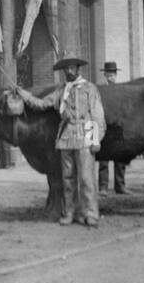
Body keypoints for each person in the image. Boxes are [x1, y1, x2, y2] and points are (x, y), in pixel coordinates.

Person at [20, 57, 106, 227]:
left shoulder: (89, 89)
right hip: (66, 138)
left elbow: (97, 115)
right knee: (67, 178)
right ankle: (69, 212)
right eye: (66, 69)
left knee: (86, 178)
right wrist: (25, 95)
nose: (69, 71)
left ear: (78, 69)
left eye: (72, 68)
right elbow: (42, 104)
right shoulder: (61, 90)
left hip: (85, 138)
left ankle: (90, 213)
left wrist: (96, 139)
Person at [97, 62, 126, 194]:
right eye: (109, 74)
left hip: (118, 127)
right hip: (104, 128)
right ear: (105, 75)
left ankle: (120, 186)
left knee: (120, 158)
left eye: (113, 74)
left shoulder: (121, 91)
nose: (111, 77)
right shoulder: (100, 91)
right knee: (104, 159)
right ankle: (103, 187)